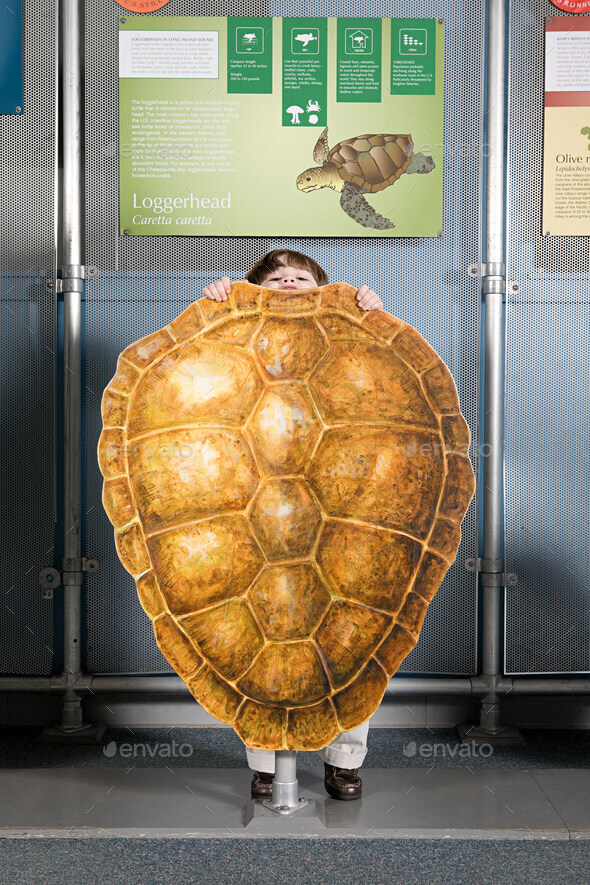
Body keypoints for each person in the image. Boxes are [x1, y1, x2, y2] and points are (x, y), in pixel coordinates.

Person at [203, 250, 383, 801]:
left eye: (300, 278)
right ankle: (263, 758)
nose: (287, 284)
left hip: (339, 504)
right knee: (255, 630)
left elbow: (379, 391)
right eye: (275, 278)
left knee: (352, 635)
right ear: (256, 287)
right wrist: (215, 310)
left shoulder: (353, 322)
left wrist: (372, 313)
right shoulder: (231, 323)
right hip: (252, 505)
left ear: (320, 287)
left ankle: (344, 759)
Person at [202, 248, 384, 312]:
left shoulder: (336, 323)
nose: (289, 280)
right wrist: (221, 299)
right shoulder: (242, 318)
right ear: (252, 289)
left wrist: (367, 311)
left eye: (301, 277)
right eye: (275, 278)